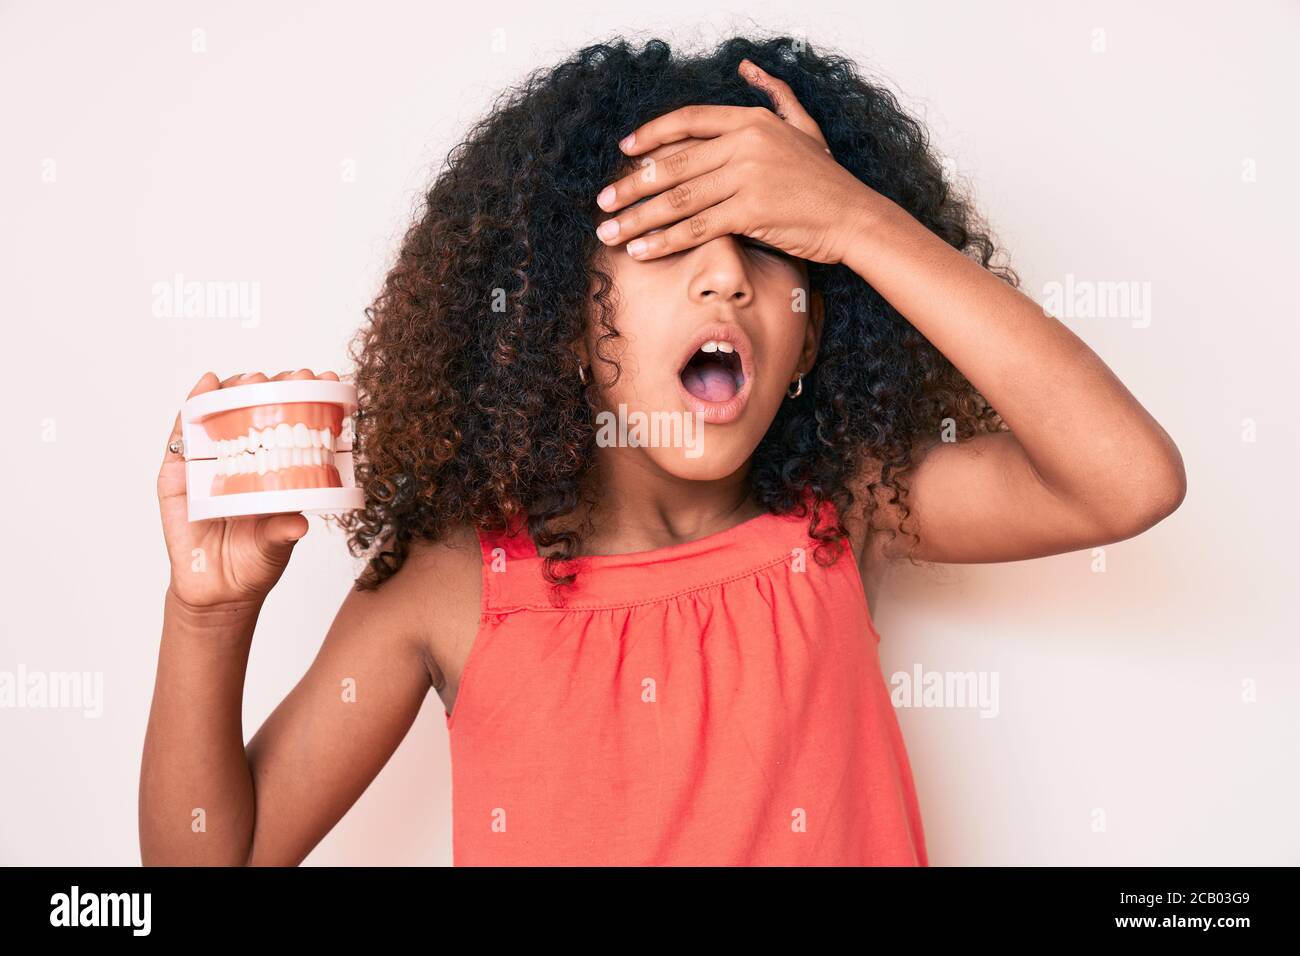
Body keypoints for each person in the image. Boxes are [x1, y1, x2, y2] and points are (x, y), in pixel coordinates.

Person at [141, 36, 1185, 866]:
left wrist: (856, 222)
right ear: (556, 320)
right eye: (669, 238)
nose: (726, 278)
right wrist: (210, 613)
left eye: (772, 245)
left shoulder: (839, 509)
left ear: (812, 331)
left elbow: (1126, 479)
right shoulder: (448, 585)